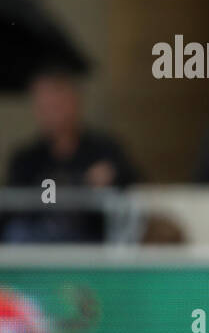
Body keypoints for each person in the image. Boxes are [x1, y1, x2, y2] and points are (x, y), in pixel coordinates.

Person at [4, 70, 138, 243]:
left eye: (58, 103)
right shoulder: (25, 159)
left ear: (75, 101)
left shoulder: (104, 150)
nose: (52, 112)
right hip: (38, 245)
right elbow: (13, 208)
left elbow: (135, 189)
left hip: (91, 245)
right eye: (45, 106)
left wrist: (112, 177)